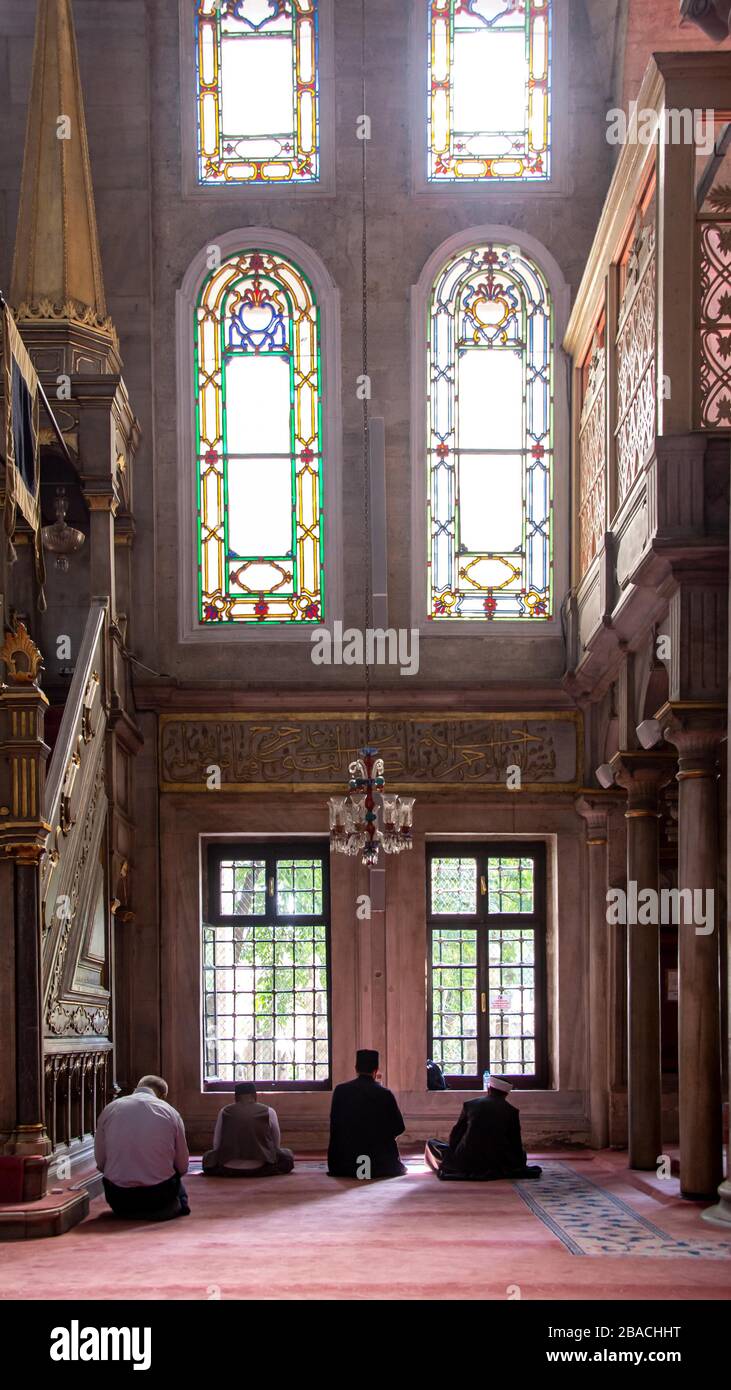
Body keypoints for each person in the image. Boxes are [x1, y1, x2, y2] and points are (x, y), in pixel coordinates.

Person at [95, 1075, 190, 1219]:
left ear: (137, 1087)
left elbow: (101, 1162)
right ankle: (170, 1207)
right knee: (178, 1186)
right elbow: (182, 1166)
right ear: (162, 1096)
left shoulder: (110, 1109)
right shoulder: (170, 1112)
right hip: (158, 1195)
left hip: (118, 1197)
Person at [425, 1077, 542, 1181]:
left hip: (467, 1160)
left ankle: (449, 1164)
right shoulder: (512, 1111)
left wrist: (453, 1156)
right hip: (498, 1162)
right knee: (522, 1154)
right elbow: (515, 1142)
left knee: (432, 1144)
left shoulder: (471, 1105)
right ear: (506, 1094)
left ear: (489, 1088)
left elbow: (456, 1135)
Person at [328, 1049, 407, 1179]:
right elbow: (399, 1127)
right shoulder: (384, 1094)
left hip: (345, 1164)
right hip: (379, 1164)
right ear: (375, 1071)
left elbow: (335, 1126)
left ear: (356, 1069)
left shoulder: (340, 1091)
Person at [202, 1082, 294, 1177]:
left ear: (236, 1097)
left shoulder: (224, 1111)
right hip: (261, 1167)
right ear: (255, 1095)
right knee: (287, 1155)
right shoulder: (269, 1111)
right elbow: (276, 1145)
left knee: (207, 1157)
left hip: (228, 1168)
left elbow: (216, 1145)